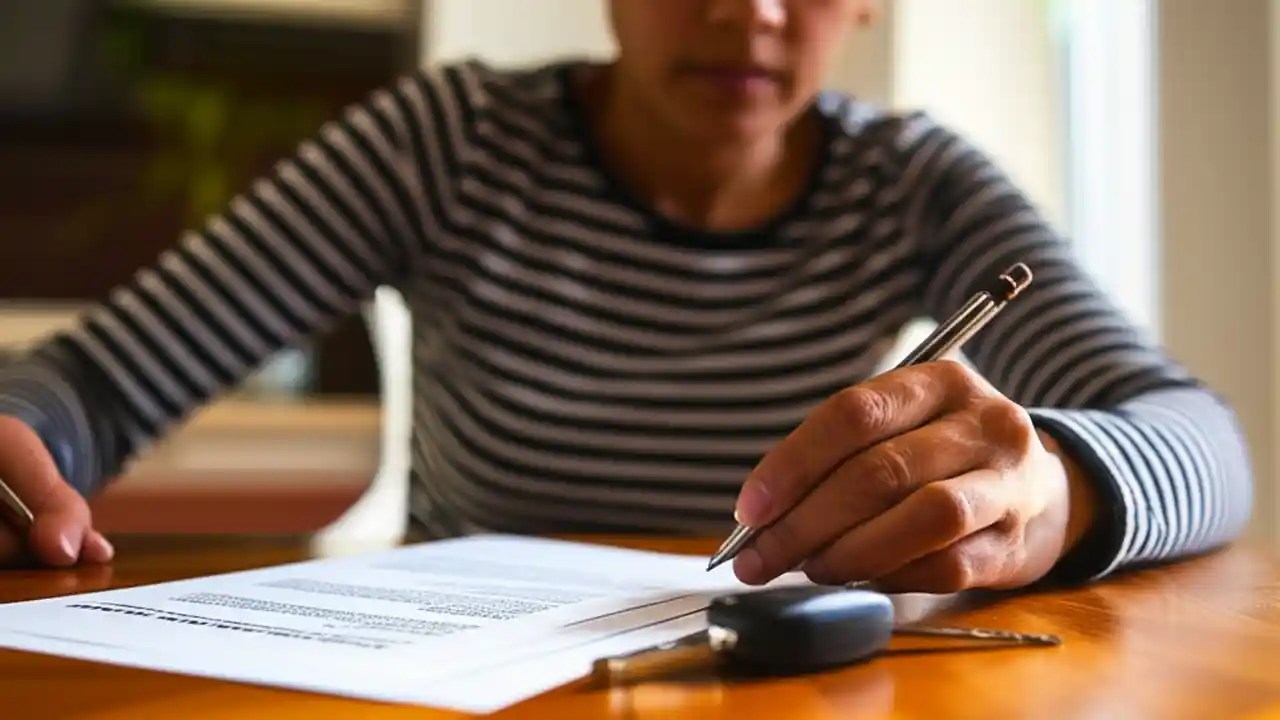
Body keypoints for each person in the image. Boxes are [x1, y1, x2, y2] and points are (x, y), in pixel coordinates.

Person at [0, 0, 1252, 593]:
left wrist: (1058, 485)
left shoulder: (911, 185)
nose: (744, 13)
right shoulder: (447, 142)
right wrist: (26, 438)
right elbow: (99, 382)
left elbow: (1202, 440)